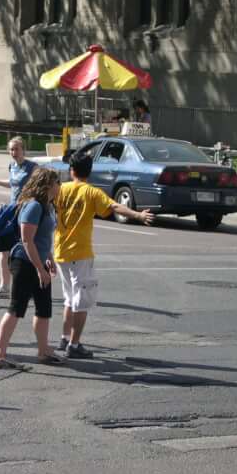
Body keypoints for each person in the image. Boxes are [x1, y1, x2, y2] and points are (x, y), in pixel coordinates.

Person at [54, 152, 154, 358]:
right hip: (80, 252)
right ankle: (74, 344)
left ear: (71, 170)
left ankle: (64, 338)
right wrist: (137, 214)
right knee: (81, 301)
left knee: (69, 298)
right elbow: (113, 206)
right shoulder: (91, 192)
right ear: (89, 171)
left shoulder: (61, 189)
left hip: (60, 250)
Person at [0, 168, 64, 369]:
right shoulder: (34, 206)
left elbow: (42, 238)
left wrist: (49, 258)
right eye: (57, 182)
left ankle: (43, 351)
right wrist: (40, 269)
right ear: (48, 184)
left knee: (44, 308)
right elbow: (26, 240)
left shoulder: (48, 206)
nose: (60, 186)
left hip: (38, 261)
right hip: (24, 262)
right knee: (16, 308)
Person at [0, 136, 37, 299]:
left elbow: (37, 189)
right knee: (3, 248)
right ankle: (4, 287)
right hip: (12, 211)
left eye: (16, 149)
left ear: (23, 150)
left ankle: (31, 287)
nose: (13, 152)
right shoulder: (12, 166)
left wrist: (22, 205)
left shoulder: (32, 167)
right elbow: (13, 183)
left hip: (26, 211)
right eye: (11, 149)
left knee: (26, 249)